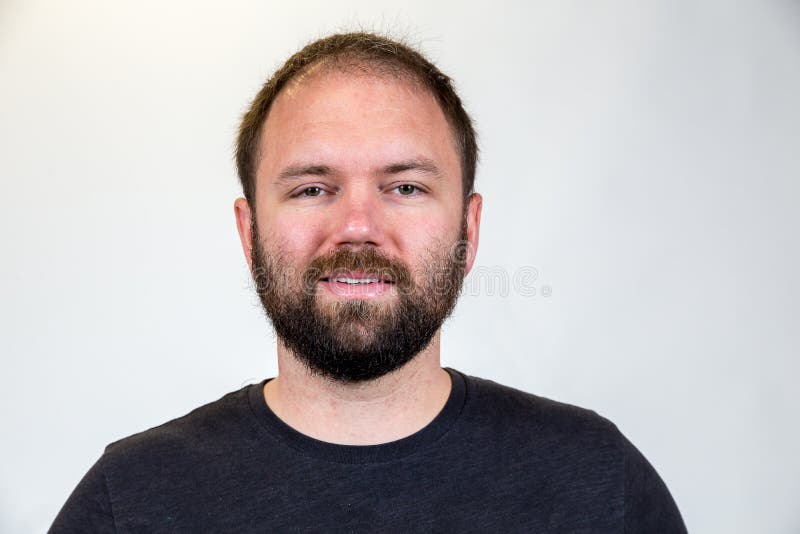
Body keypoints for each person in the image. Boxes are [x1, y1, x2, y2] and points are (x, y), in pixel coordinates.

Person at [50, 32, 687, 533]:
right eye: (312, 189)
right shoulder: (128, 501)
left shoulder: (599, 483)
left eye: (405, 187)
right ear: (249, 234)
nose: (357, 227)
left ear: (469, 229)